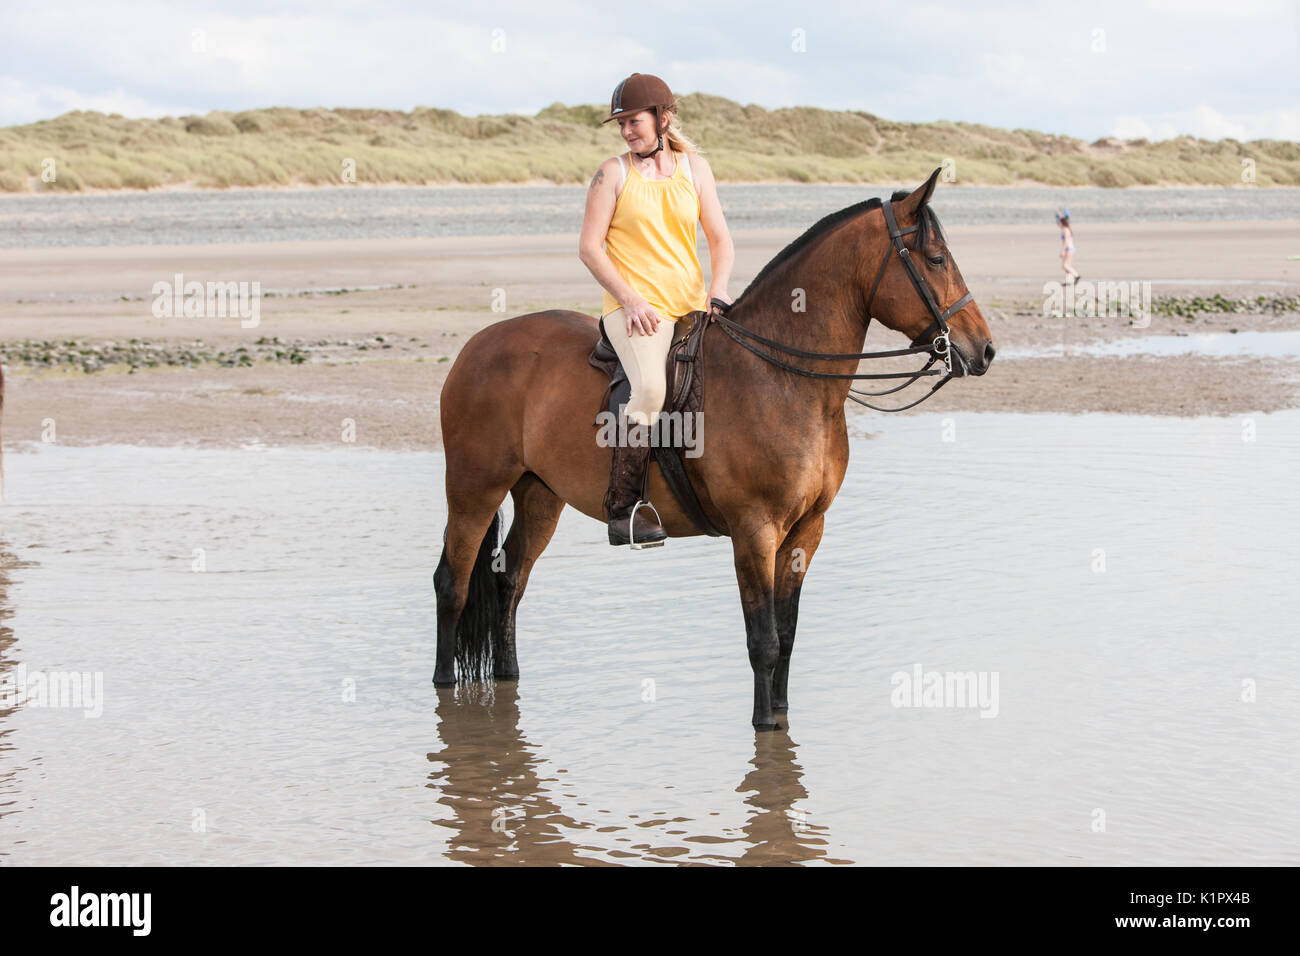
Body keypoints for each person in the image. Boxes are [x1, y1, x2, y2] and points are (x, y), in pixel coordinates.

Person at [578, 73, 735, 548]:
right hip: (635, 312)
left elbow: (720, 238)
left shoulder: (695, 169)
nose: (627, 131)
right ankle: (623, 509)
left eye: (634, 121)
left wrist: (719, 290)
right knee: (648, 389)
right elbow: (589, 248)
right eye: (621, 123)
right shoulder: (612, 173)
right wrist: (630, 299)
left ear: (662, 119)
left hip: (691, 307)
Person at [1056, 209, 1080, 283]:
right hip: (1069, 249)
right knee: (1067, 266)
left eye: (1058, 222)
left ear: (1061, 223)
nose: (1057, 224)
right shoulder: (1066, 229)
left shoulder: (1065, 230)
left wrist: (1063, 251)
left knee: (1065, 266)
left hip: (1068, 249)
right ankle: (1069, 281)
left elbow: (1066, 241)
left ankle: (1076, 275)